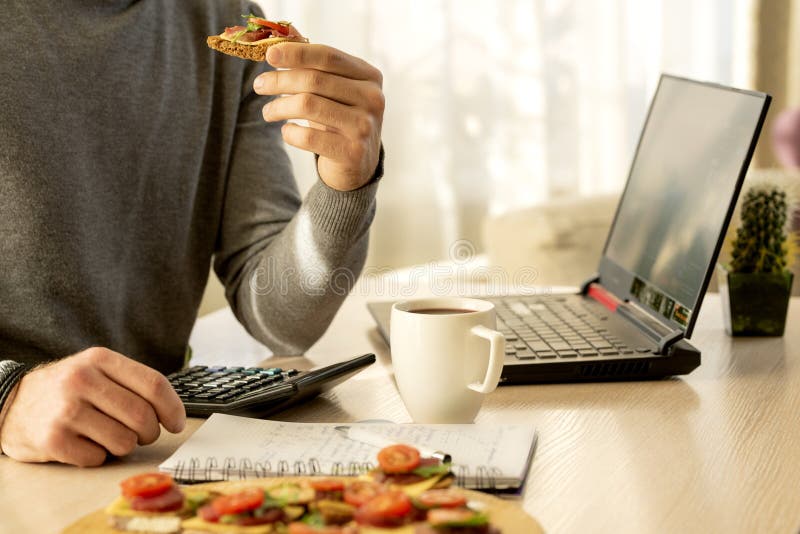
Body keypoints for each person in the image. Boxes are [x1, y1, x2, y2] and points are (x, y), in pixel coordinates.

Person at [0, 2, 385, 467]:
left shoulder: (223, 18)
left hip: (153, 452)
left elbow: (284, 320)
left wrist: (345, 184)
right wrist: (8, 399)